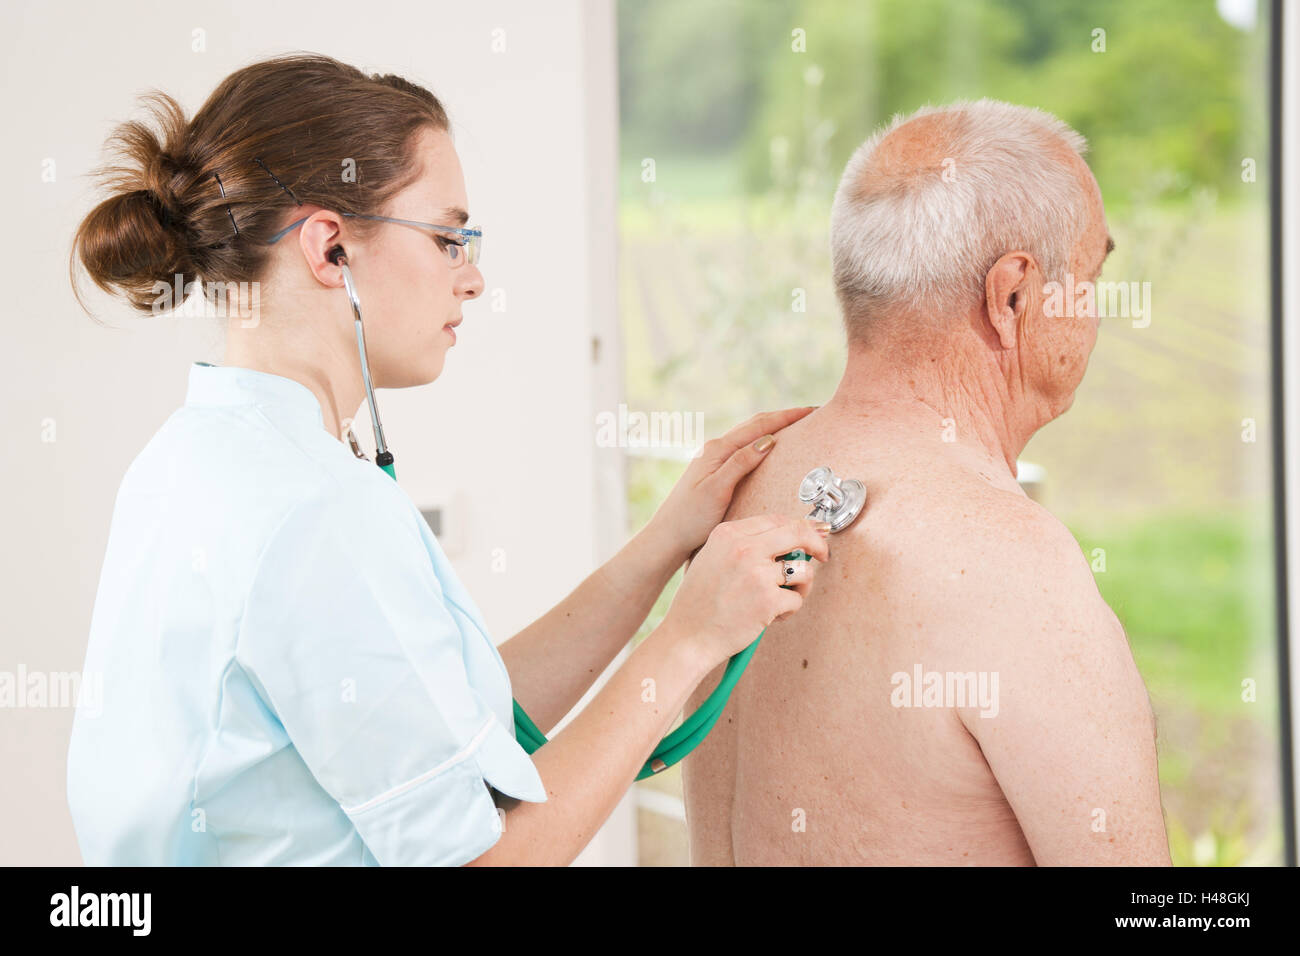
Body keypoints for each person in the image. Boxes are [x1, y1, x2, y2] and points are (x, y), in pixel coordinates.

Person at [66, 52, 831, 866]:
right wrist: (687, 642)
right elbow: (482, 861)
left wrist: (662, 549)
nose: (473, 279)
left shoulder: (193, 454)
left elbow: (449, 725)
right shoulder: (313, 509)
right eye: (446, 239)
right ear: (330, 250)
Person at [682, 100, 1172, 866]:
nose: (1096, 315)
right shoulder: (1018, 568)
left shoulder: (741, 492)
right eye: (1090, 276)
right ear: (1012, 296)